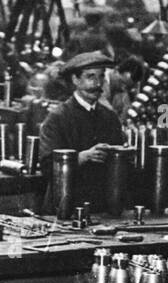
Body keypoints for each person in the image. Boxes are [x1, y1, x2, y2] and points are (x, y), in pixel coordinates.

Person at [38, 51, 125, 211]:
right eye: (90, 77)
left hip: (100, 208)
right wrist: (80, 157)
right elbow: (47, 166)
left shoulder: (109, 117)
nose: (97, 84)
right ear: (75, 80)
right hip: (64, 207)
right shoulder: (57, 117)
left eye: (101, 77)